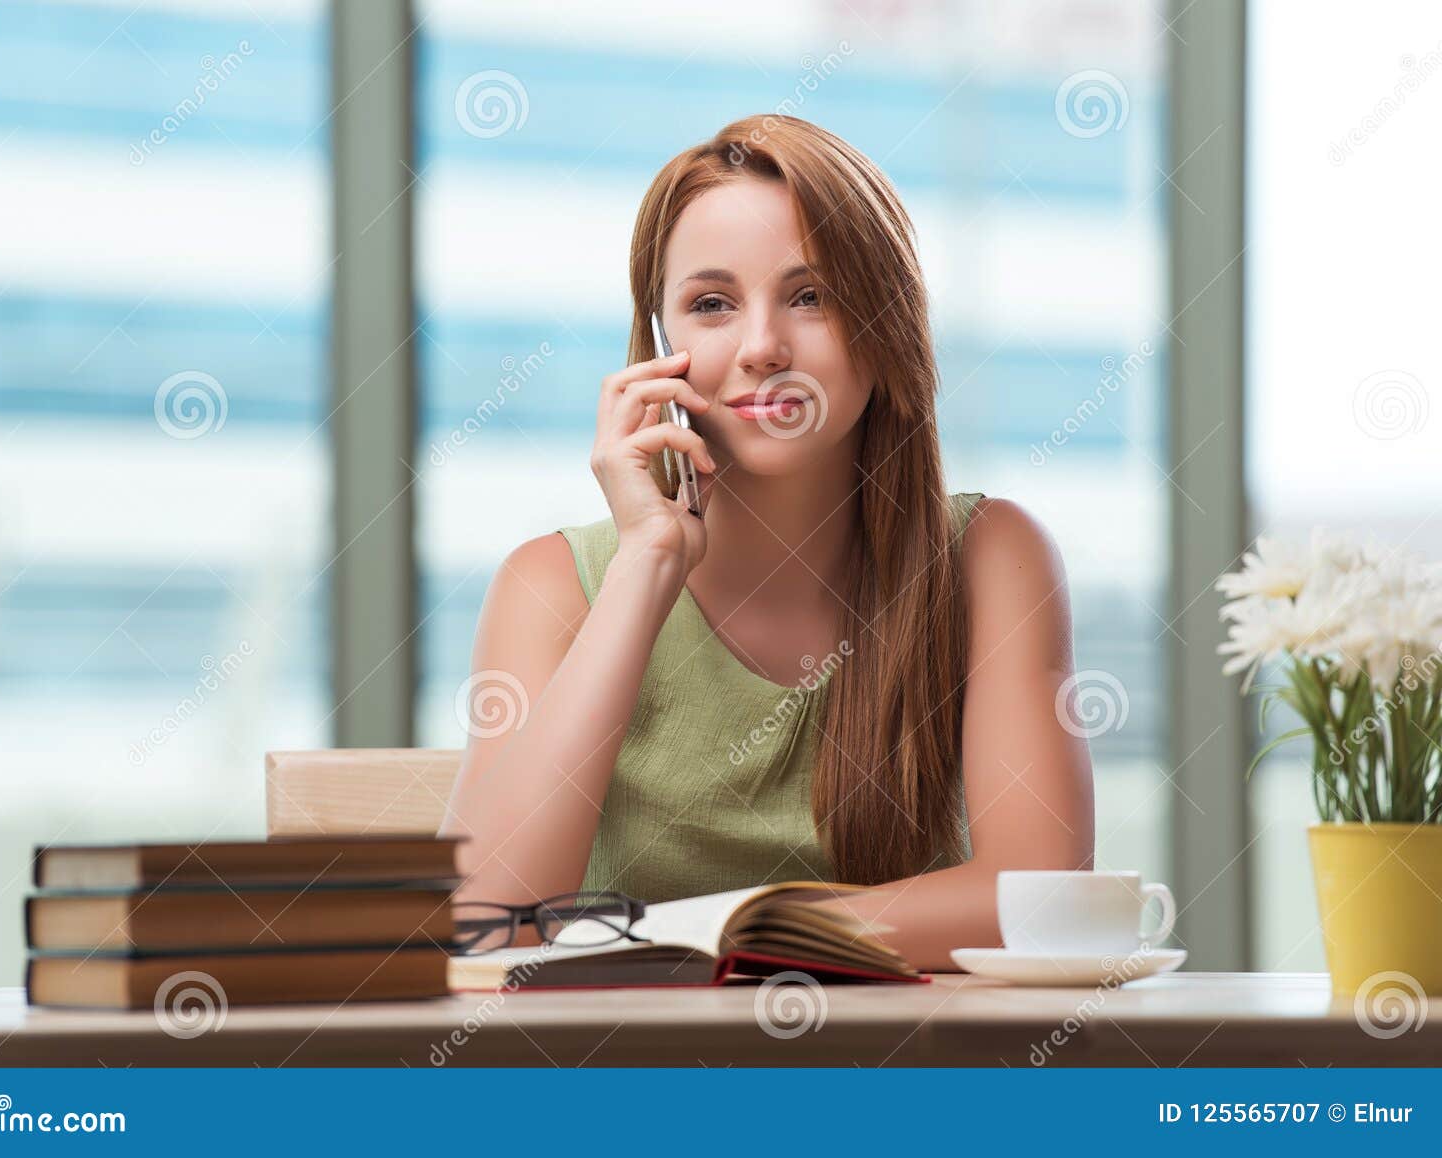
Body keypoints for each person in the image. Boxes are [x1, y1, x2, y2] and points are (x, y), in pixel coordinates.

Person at [440, 115, 1094, 970]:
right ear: (661, 345)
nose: (761, 348)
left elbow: (1041, 895)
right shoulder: (553, 583)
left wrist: (717, 929)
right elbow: (481, 919)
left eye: (811, 296)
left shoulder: (989, 556)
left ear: (886, 325)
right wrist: (647, 566)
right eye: (711, 305)